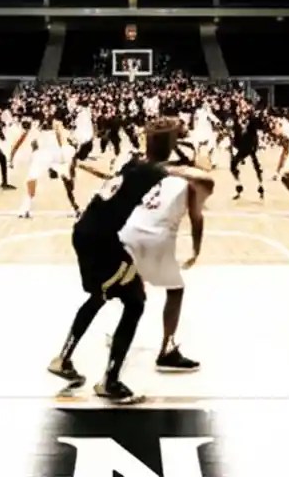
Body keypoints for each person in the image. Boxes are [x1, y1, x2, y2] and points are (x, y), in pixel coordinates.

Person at [47, 118, 195, 404]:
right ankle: (110, 380)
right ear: (171, 145)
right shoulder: (159, 173)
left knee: (100, 295)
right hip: (102, 240)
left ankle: (63, 359)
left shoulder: (132, 164)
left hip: (84, 231)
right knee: (135, 301)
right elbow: (194, 175)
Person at [117, 146, 214, 372]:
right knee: (175, 290)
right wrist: (196, 251)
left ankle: (117, 334)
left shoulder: (154, 176)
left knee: (127, 289)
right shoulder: (190, 183)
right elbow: (197, 220)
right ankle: (167, 349)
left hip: (127, 232)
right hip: (154, 237)